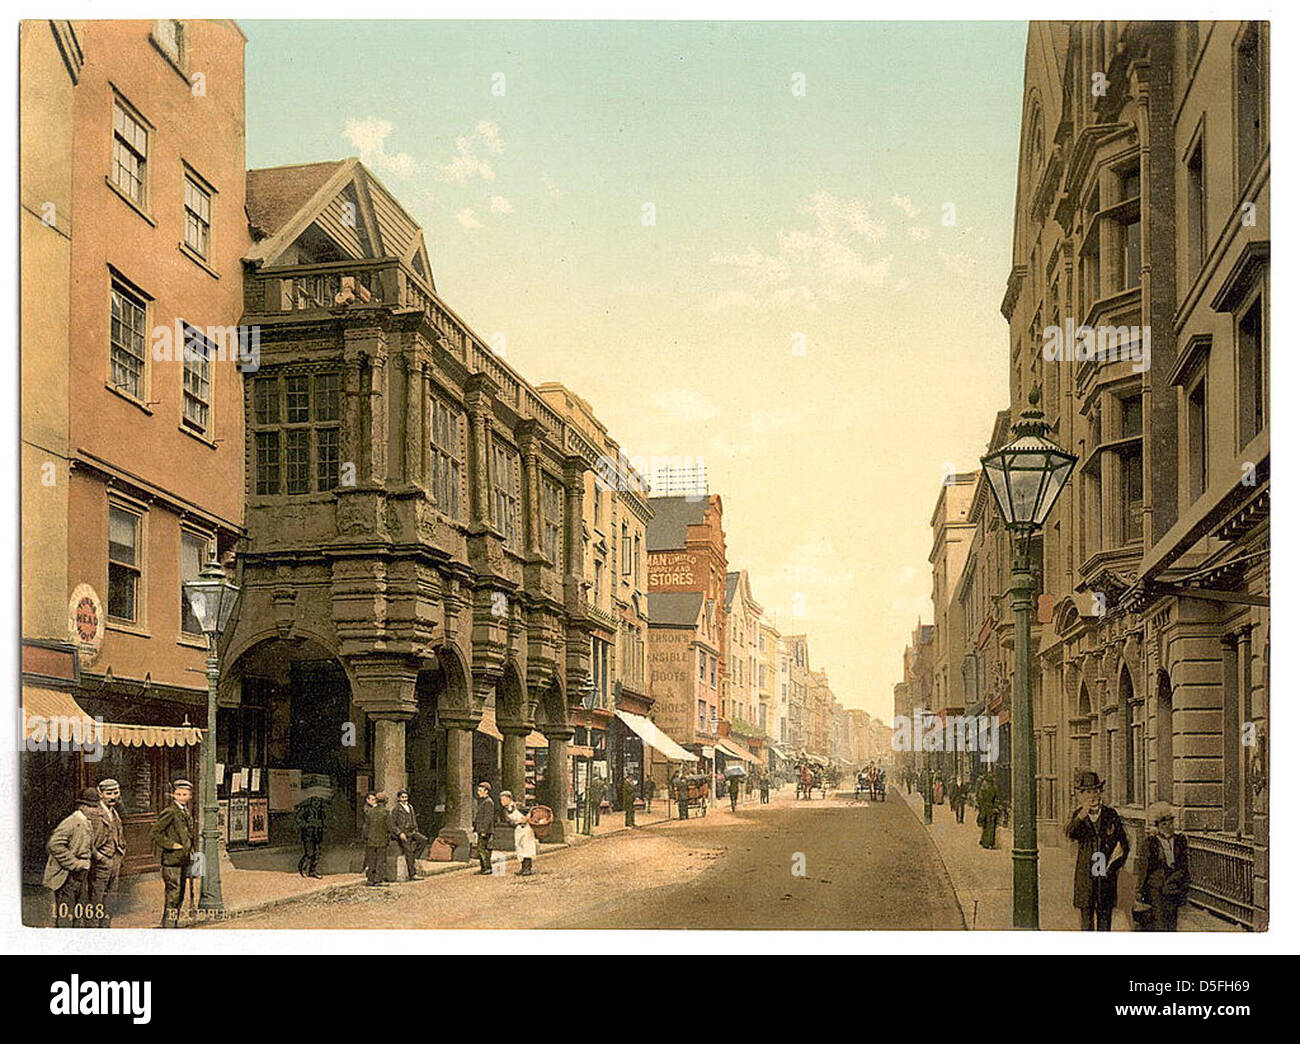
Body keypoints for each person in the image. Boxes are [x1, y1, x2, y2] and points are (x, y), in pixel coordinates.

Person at [1065, 770, 1130, 931]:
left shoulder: (1110, 814)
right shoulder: (1078, 815)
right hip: (1086, 874)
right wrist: (1082, 814)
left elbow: (1124, 844)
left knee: (1104, 920)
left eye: (1095, 791)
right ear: (1081, 795)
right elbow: (1070, 833)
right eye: (1088, 792)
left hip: (1105, 876)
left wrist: (1113, 867)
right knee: (1086, 920)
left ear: (1100, 792)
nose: (1092, 795)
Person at [45, 788, 99, 927]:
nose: (94, 810)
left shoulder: (86, 822)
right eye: (90, 807)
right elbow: (54, 844)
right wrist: (75, 863)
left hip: (81, 874)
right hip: (66, 875)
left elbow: (88, 844)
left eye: (95, 806)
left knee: (78, 911)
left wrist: (97, 856)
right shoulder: (72, 822)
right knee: (65, 913)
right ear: (82, 807)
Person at [1135, 801, 1189, 932]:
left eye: (1170, 823)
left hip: (1173, 887)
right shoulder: (1150, 843)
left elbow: (1184, 865)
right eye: (1164, 824)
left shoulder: (1180, 840)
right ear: (1158, 826)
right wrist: (1139, 890)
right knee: (1159, 923)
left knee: (1172, 922)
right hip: (1156, 889)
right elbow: (1144, 868)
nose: (1168, 827)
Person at [150, 779, 195, 928]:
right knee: (173, 894)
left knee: (180, 894)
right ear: (173, 795)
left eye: (185, 794)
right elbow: (156, 832)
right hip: (171, 861)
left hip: (183, 860)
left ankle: (171, 923)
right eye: (178, 794)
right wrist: (172, 845)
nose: (181, 797)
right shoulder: (170, 811)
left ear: (190, 796)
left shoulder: (185, 811)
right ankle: (169, 926)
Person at [88, 778, 126, 926]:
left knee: (111, 897)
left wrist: (121, 851)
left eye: (116, 793)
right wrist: (100, 857)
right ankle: (94, 929)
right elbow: (89, 842)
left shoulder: (114, 812)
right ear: (100, 794)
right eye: (109, 793)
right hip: (100, 863)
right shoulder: (95, 814)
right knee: (96, 897)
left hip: (115, 861)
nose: (113, 797)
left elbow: (119, 834)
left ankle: (105, 926)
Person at [391, 789, 428, 881]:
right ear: (399, 798)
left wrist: (416, 829)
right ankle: (412, 874)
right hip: (403, 833)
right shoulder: (396, 809)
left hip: (412, 831)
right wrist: (400, 833)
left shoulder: (410, 807)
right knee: (408, 851)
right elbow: (392, 824)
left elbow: (413, 819)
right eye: (402, 797)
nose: (404, 799)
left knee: (423, 840)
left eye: (406, 797)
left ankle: (414, 858)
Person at [500, 790, 536, 876]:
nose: (502, 802)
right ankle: (523, 867)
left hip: (526, 828)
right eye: (501, 800)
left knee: (527, 847)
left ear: (509, 799)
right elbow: (509, 822)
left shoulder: (518, 806)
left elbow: (531, 811)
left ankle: (528, 868)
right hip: (518, 829)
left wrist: (526, 819)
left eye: (504, 799)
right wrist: (515, 823)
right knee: (519, 848)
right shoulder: (505, 811)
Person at [362, 792, 395, 886]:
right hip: (382, 840)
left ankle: (370, 880)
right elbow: (390, 827)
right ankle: (378, 880)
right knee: (380, 860)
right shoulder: (386, 812)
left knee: (371, 860)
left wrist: (366, 838)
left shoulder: (370, 811)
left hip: (371, 840)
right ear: (385, 801)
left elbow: (366, 827)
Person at [295, 793, 327, 878]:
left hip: (317, 834)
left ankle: (313, 871)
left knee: (317, 853)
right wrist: (307, 825)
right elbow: (298, 819)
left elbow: (324, 821)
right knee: (309, 853)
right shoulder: (306, 809)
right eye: (315, 801)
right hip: (308, 834)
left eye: (318, 801)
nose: (317, 803)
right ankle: (302, 868)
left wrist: (322, 827)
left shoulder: (321, 811)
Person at [473, 782, 496, 874]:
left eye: (480, 790)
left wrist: (483, 831)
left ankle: (488, 867)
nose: (478, 792)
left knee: (482, 849)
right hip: (481, 829)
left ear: (486, 791)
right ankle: (483, 868)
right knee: (480, 849)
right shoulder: (484, 801)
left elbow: (487, 818)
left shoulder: (488, 802)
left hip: (485, 830)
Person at [975, 773, 1000, 848]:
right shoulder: (994, 788)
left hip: (985, 808)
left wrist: (981, 807)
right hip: (991, 808)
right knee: (991, 826)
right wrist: (996, 807)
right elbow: (997, 798)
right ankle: (989, 842)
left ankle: (985, 841)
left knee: (986, 825)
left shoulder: (983, 788)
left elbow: (979, 798)